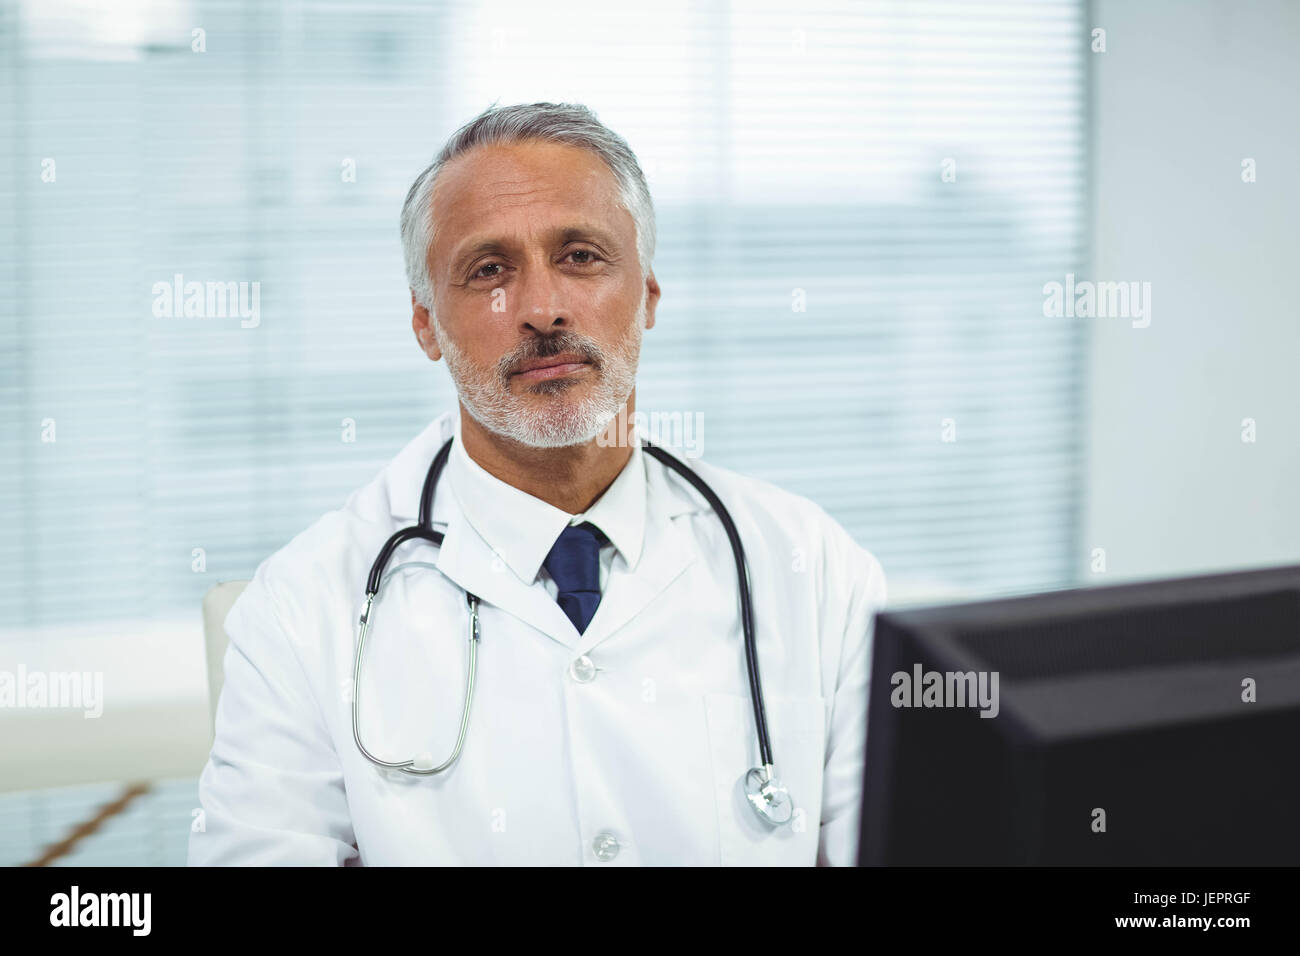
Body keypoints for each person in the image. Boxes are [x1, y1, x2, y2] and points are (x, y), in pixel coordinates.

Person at [189, 101, 886, 866]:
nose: (541, 310)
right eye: (489, 271)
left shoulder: (811, 568)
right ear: (426, 324)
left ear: (648, 293)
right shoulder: (301, 607)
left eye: (581, 256)